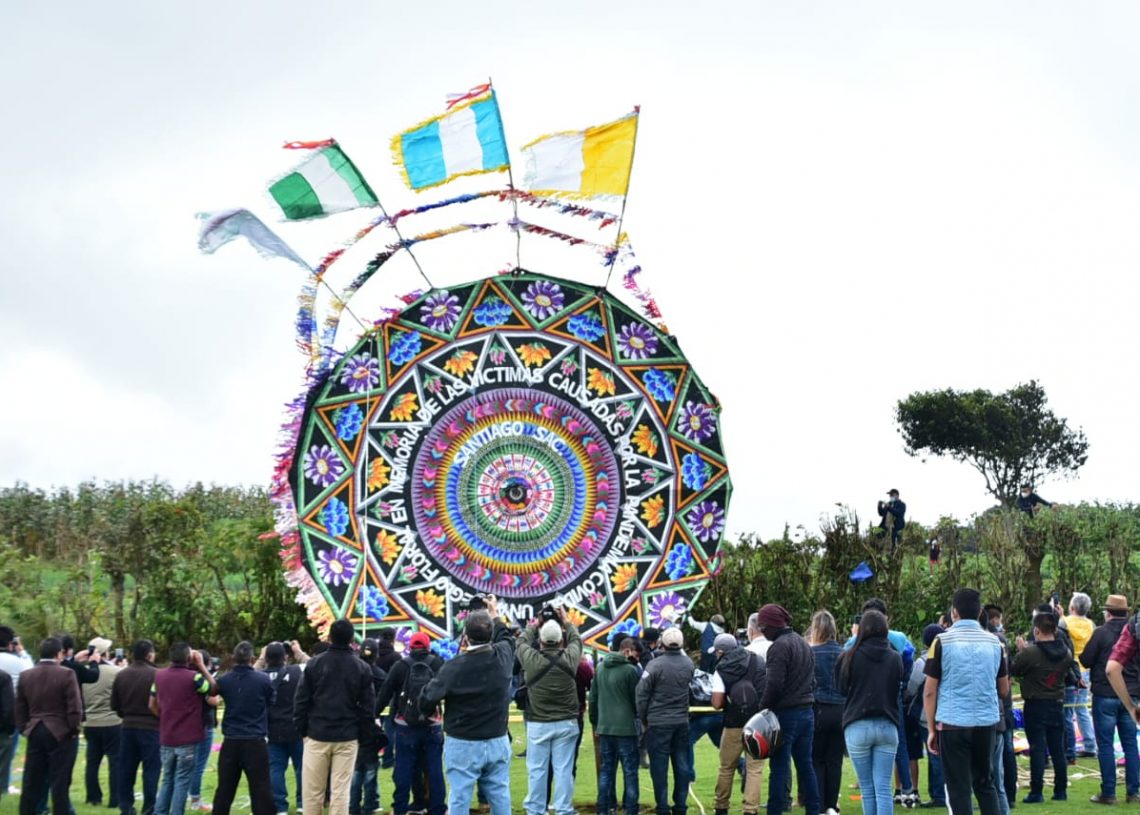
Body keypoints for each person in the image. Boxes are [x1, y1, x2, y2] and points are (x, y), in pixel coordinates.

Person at [419, 599, 515, 815]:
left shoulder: (454, 667)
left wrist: (430, 711)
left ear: (466, 635)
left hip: (463, 741)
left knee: (460, 797)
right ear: (490, 634)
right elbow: (507, 638)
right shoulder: (503, 657)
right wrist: (495, 615)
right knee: (500, 795)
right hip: (497, 739)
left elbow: (426, 699)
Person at [923, 588, 1006, 815]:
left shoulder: (941, 641)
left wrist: (931, 729)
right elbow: (1004, 688)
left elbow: (929, 691)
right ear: (980, 612)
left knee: (959, 788)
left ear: (953, 612)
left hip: (952, 724)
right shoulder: (996, 643)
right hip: (985, 723)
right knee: (985, 783)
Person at [294, 619, 376, 815]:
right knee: (340, 793)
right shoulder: (361, 667)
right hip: (347, 736)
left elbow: (301, 701)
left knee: (312, 793)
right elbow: (368, 708)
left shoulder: (314, 664)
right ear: (351, 639)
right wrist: (363, 734)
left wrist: (302, 730)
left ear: (329, 637)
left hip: (317, 734)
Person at [835, 610, 903, 815]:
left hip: (857, 724)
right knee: (883, 787)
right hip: (887, 724)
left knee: (867, 788)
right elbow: (898, 687)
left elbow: (840, 688)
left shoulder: (849, 656)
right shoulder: (895, 658)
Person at [756, 603, 819, 815]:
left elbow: (774, 684)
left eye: (763, 627)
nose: (762, 632)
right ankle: (813, 809)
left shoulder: (779, 647)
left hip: (786, 715)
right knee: (805, 764)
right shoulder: (803, 643)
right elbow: (813, 681)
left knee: (780, 766)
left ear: (773, 625)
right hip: (807, 712)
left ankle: (775, 810)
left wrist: (762, 709)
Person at [517, 610, 582, 815]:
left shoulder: (531, 659)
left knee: (537, 770)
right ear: (561, 639)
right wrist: (566, 621)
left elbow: (520, 643)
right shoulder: (571, 657)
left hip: (539, 722)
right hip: (566, 722)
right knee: (564, 770)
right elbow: (576, 639)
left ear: (541, 641)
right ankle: (563, 809)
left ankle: (536, 810)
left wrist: (533, 625)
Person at [375, 632, 445, 815]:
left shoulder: (400, 666)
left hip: (405, 726)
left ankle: (400, 808)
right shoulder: (437, 664)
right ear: (428, 646)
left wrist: (373, 715)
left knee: (403, 769)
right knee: (435, 769)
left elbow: (385, 693)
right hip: (432, 725)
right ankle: (437, 808)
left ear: (411, 647)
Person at [1081, 594, 1139, 804]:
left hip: (1105, 694)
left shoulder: (1101, 633)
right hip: (1131, 695)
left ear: (1107, 612)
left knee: (1105, 745)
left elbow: (1085, 660)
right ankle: (1134, 791)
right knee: (1130, 744)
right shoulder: (1135, 631)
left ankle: (1109, 792)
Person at [15, 637, 82, 815]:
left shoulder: (26, 675)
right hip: (60, 731)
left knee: (31, 779)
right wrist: (74, 729)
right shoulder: (67, 674)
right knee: (59, 781)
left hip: (35, 728)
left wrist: (24, 728)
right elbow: (74, 707)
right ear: (59, 653)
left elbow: (20, 706)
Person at [1012, 610, 1073, 803]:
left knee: (1037, 748)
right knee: (1057, 750)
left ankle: (1036, 791)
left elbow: (1015, 670)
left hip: (1035, 704)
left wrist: (1021, 650)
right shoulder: (1066, 653)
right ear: (1055, 629)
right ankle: (1060, 791)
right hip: (1056, 702)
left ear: (1036, 630)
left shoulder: (1030, 653)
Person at [151, 644, 217, 815]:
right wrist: (202, 665)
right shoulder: (194, 678)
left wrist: (165, 717)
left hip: (167, 735)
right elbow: (214, 689)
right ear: (189, 658)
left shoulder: (158, 676)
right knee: (182, 780)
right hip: (188, 738)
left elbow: (151, 703)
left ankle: (160, 812)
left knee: (167, 779)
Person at [211, 642, 275, 815]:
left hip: (231, 740)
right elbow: (271, 702)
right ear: (252, 659)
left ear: (233, 659)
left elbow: (212, 690)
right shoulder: (263, 680)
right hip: (255, 740)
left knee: (225, 788)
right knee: (261, 789)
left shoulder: (225, 681)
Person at [637, 626, 695, 815]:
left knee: (659, 768)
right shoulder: (688, 664)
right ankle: (680, 806)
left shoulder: (655, 665)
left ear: (662, 643)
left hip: (658, 722)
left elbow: (641, 694)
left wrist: (644, 718)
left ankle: (662, 807)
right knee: (682, 765)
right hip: (681, 722)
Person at [709, 632, 766, 815]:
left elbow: (717, 703)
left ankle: (721, 807)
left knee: (727, 768)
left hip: (733, 723)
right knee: (755, 769)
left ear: (720, 651)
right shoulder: (757, 661)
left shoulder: (721, 669)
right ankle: (750, 810)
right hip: (758, 722)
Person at [589, 637, 640, 815]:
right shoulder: (630, 671)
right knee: (630, 772)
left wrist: (595, 722)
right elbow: (636, 701)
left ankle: (604, 808)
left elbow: (593, 698)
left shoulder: (600, 668)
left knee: (607, 771)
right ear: (627, 651)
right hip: (626, 729)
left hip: (605, 728)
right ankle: (631, 809)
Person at [112, 640, 160, 815]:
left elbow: (115, 705)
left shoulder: (122, 675)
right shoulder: (157, 674)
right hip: (152, 727)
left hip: (127, 726)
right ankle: (149, 807)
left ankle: (126, 806)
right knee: (151, 770)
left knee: (126, 768)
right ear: (149, 655)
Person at [807, 611, 845, 815]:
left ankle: (820, 804)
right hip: (840, 710)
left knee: (816, 759)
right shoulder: (844, 653)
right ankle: (831, 804)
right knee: (834, 760)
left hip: (818, 708)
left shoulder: (811, 653)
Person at [262, 642, 304, 815]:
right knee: (302, 768)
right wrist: (298, 652)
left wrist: (259, 659)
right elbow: (316, 663)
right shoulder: (296, 672)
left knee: (275, 769)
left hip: (272, 730)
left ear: (266, 658)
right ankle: (303, 802)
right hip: (296, 728)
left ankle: (280, 806)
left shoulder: (260, 677)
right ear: (285, 657)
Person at [83, 637, 123, 809]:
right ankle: (115, 798)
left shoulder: (83, 672)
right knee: (115, 762)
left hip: (90, 722)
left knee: (92, 762)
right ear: (104, 653)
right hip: (112, 722)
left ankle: (93, 796)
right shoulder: (116, 672)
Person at [349, 639, 387, 815]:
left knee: (356, 769)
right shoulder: (379, 675)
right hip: (372, 724)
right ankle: (370, 803)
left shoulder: (351, 672)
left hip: (352, 725)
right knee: (370, 769)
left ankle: (353, 805)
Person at [1063, 592, 1096, 760]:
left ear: (1072, 607)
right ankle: (1090, 744)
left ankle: (1068, 747)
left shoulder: (1065, 622)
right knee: (1082, 708)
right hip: (1086, 669)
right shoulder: (1091, 624)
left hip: (1070, 670)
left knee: (1067, 711)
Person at [0, 627, 33, 797]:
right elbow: (31, 672)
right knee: (6, 754)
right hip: (9, 711)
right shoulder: (17, 662)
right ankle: (2, 787)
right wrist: (22, 651)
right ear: (10, 643)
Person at [188, 649, 219, 814]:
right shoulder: (201, 680)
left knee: (187, 765)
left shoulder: (185, 676)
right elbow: (214, 698)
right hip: (203, 725)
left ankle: (189, 796)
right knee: (198, 765)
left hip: (187, 725)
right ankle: (195, 799)